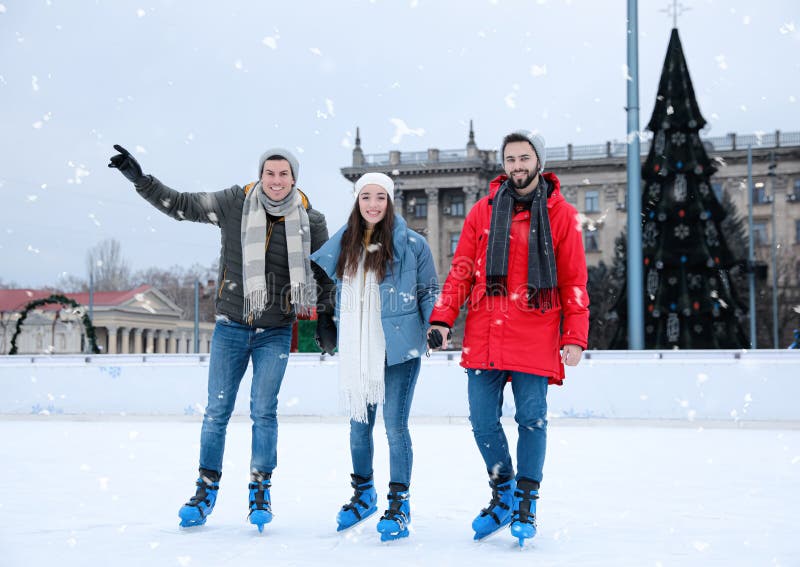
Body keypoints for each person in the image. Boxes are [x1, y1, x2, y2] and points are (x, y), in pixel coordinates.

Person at [108, 144, 333, 532]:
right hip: (231, 326)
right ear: (260, 175)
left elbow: (325, 272)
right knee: (217, 413)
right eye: (269, 173)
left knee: (264, 412)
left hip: (276, 331)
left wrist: (328, 314)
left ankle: (260, 487)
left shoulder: (312, 222)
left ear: (294, 178)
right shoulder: (234, 203)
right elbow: (181, 204)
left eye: (283, 174)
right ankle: (205, 487)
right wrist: (140, 180)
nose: (276, 181)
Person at [427, 131, 589, 546]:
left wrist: (574, 335)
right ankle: (502, 493)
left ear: (539, 161)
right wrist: (443, 318)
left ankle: (525, 502)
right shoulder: (482, 211)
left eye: (524, 158)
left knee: (531, 421)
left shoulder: (561, 214)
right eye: (511, 159)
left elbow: (573, 279)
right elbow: (462, 267)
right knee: (481, 421)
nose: (517, 166)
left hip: (536, 329)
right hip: (484, 331)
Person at [310, 172, 439, 541]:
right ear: (357, 200)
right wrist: (326, 317)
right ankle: (363, 494)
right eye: (366, 196)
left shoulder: (411, 243)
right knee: (358, 426)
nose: (373, 203)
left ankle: (399, 503)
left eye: (380, 196)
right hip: (358, 346)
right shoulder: (344, 243)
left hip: (399, 347)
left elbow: (429, 288)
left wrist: (435, 324)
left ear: (390, 200)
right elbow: (329, 286)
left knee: (395, 428)